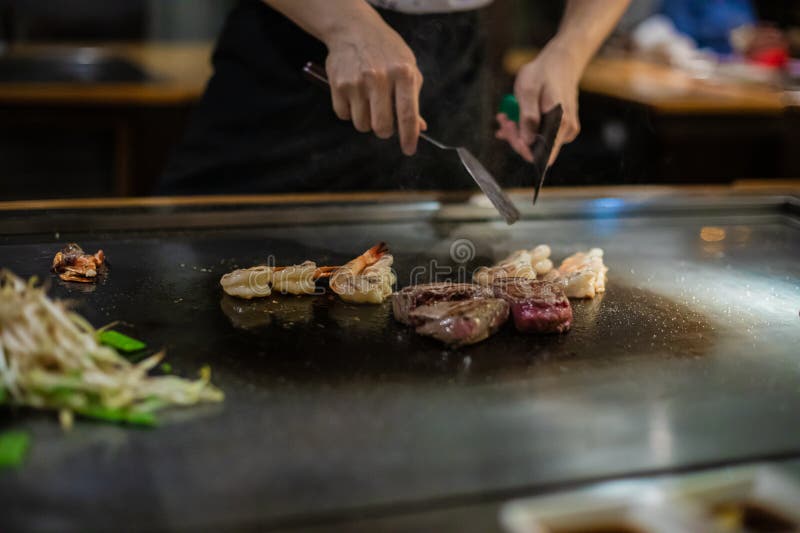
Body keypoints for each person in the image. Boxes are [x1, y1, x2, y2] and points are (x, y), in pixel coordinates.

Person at [160, 0, 631, 195]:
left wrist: (570, 49)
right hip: (299, 42)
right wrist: (345, 23)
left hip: (457, 53)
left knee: (438, 273)